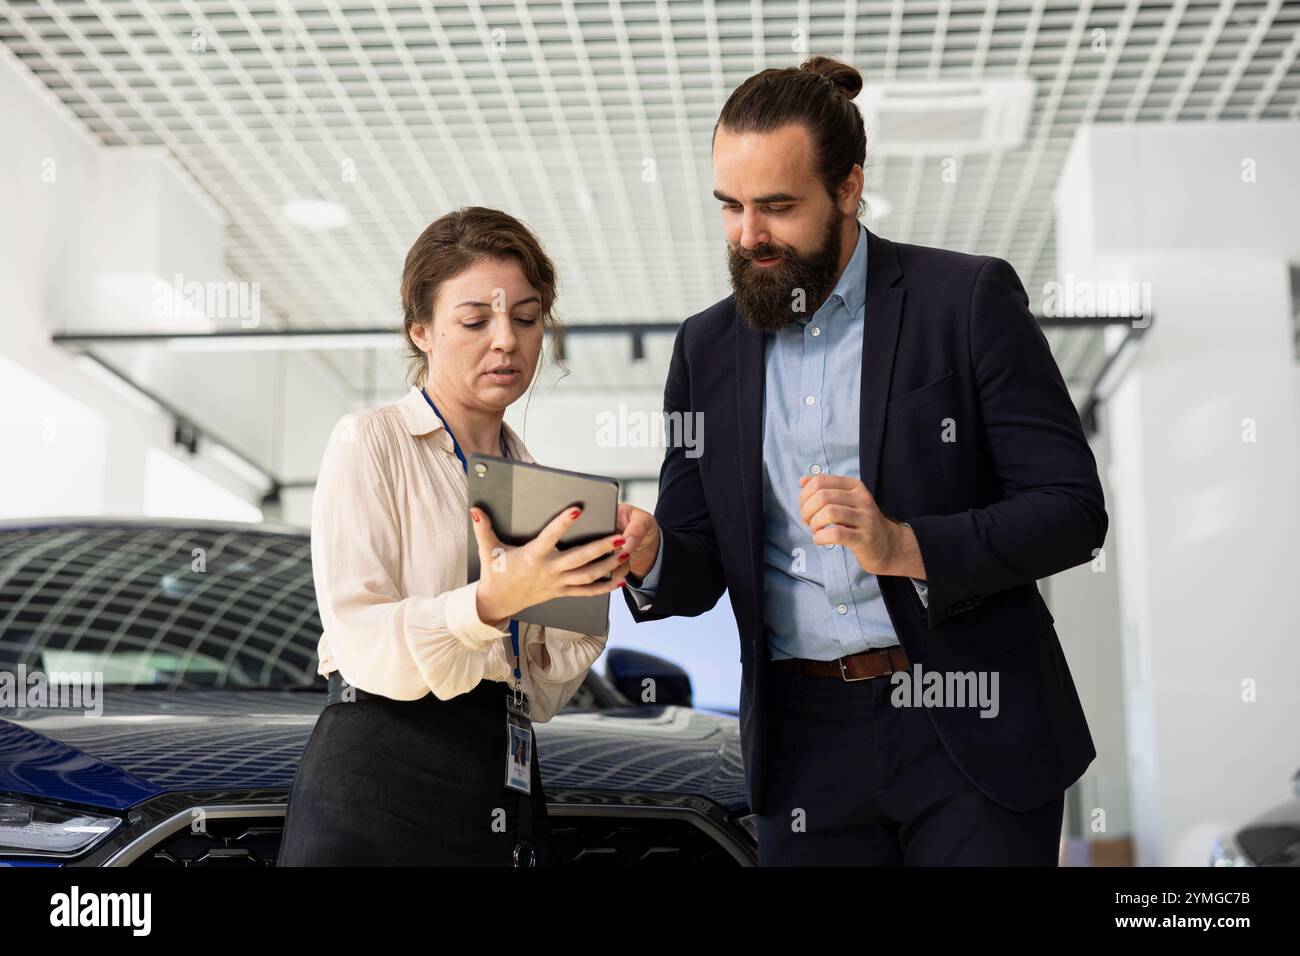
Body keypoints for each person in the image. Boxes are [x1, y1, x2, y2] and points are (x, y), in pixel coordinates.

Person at [612, 56, 1108, 865]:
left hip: (967, 720)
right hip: (804, 744)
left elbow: (1071, 508)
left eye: (777, 206)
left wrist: (903, 544)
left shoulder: (967, 301)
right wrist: (653, 551)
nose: (748, 235)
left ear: (848, 188)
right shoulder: (705, 350)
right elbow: (698, 556)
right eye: (730, 207)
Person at [278, 206, 637, 866]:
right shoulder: (371, 442)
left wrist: (597, 577)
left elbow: (544, 690)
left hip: (503, 770)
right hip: (379, 771)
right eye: (475, 321)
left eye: (526, 319)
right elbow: (358, 637)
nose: (506, 340)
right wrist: (485, 606)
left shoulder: (543, 489)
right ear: (422, 331)